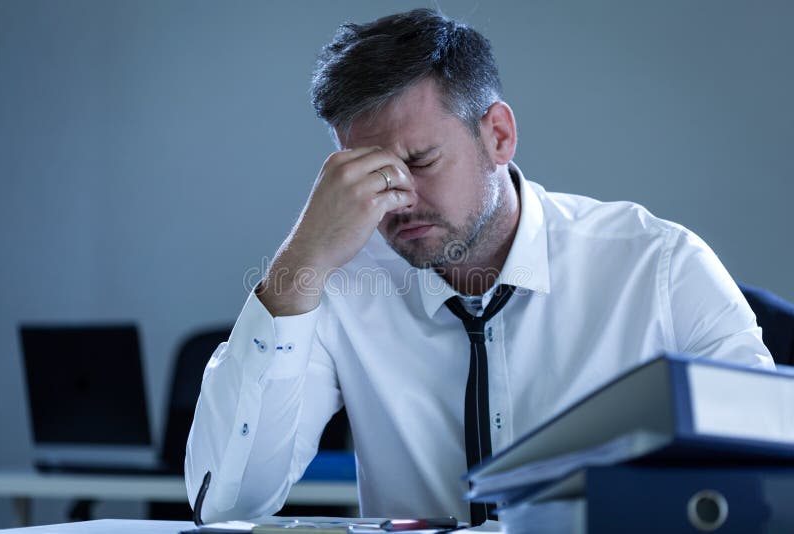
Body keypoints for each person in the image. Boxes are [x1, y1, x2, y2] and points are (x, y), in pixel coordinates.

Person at [185, 8, 773, 524]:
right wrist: (301, 260)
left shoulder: (660, 266)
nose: (398, 199)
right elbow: (226, 502)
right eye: (368, 173)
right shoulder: (340, 283)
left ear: (498, 135)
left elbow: (767, 478)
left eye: (421, 161)